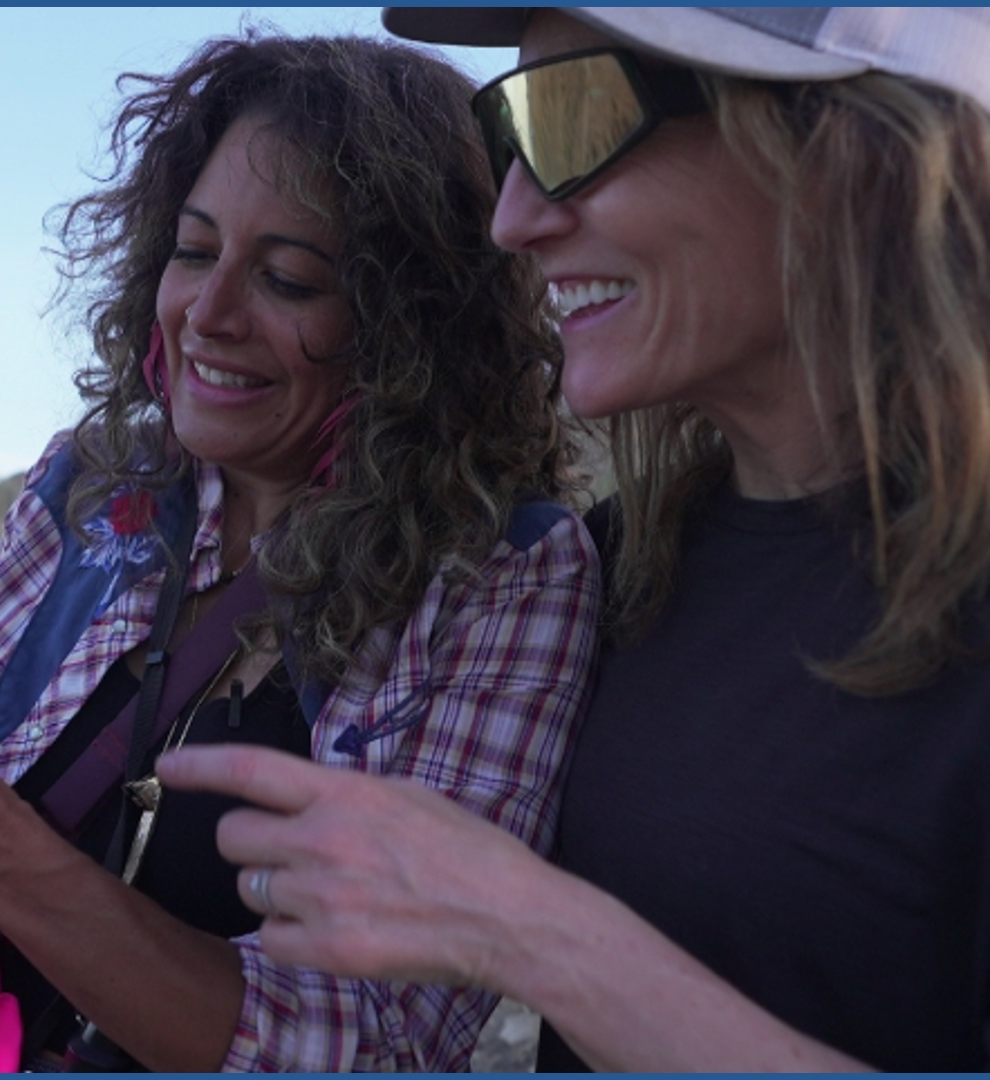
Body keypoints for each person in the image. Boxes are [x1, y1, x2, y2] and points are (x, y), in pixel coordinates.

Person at [0, 32, 598, 1072]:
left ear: (412, 326)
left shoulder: (505, 577)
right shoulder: (90, 487)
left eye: (289, 279)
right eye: (195, 251)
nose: (208, 315)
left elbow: (380, 1043)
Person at [160, 7, 990, 1072]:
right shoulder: (627, 563)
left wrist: (531, 929)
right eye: (508, 136)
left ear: (853, 150)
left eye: (575, 119)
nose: (513, 218)